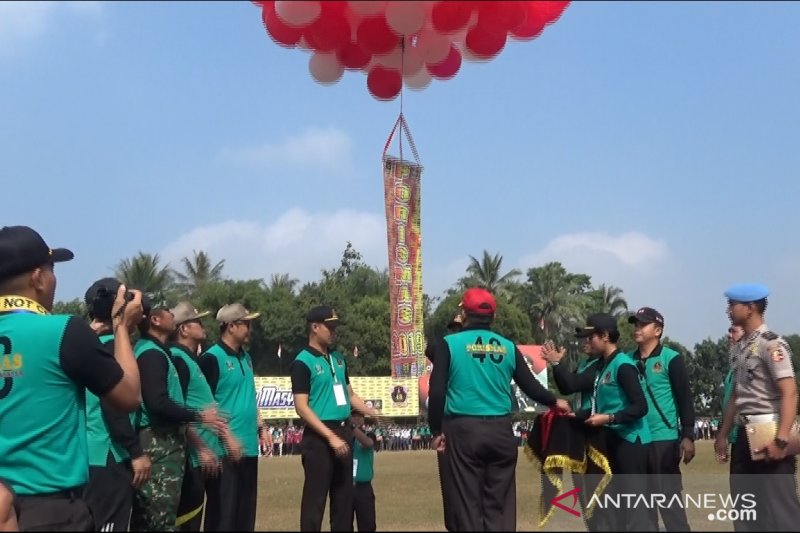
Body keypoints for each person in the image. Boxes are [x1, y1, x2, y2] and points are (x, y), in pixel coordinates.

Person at [0, 225, 142, 531]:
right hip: (51, 510)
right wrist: (120, 326)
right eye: (51, 270)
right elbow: (129, 396)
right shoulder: (63, 330)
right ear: (37, 278)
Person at [428, 288, 571, 532]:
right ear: (493, 317)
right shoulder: (508, 346)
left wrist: (436, 430)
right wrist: (553, 400)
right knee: (500, 505)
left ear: (464, 314)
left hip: (463, 431)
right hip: (501, 431)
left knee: (467, 503)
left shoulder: (448, 344)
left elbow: (438, 391)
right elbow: (529, 385)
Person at [715, 284, 800, 532]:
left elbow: (789, 392)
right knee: (746, 510)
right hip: (744, 431)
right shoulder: (740, 348)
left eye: (732, 305)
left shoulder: (771, 345)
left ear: (750, 307)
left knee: (779, 509)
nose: (728, 310)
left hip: (768, 429)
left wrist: (781, 440)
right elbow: (736, 396)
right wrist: (723, 434)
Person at [132, 302, 224, 531]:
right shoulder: (151, 354)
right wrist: (198, 415)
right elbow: (158, 402)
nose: (172, 315)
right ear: (155, 320)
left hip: (167, 444)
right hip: (158, 445)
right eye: (167, 311)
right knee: (157, 518)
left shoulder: (159, 352)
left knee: (163, 517)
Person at [290, 305, 378, 532]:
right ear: (314, 327)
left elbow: (350, 395)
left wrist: (372, 412)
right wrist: (330, 437)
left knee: (343, 501)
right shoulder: (302, 362)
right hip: (319, 436)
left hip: (344, 432)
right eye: (329, 327)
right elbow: (301, 407)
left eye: (335, 327)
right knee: (315, 501)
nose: (334, 332)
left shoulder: (338, 359)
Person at [569, 313, 653, 530]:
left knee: (634, 509)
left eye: (592, 337)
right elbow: (601, 405)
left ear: (605, 336)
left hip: (631, 443)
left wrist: (610, 418)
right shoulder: (602, 366)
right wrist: (577, 415)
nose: (588, 342)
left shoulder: (623, 365)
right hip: (611, 442)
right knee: (612, 506)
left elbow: (640, 407)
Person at [83, 278, 152, 533]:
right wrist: (136, 452)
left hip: (89, 453)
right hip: (109, 454)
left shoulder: (88, 346)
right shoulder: (113, 348)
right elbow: (114, 405)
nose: (141, 312)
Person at [169, 302, 241, 532]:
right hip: (195, 455)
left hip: (210, 452)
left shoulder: (190, 358)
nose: (203, 325)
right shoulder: (178, 359)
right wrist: (200, 447)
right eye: (197, 321)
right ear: (183, 329)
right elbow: (177, 409)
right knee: (188, 520)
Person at [199, 303, 270, 532]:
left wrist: (262, 427)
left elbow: (249, 395)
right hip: (224, 449)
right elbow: (205, 406)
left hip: (248, 447)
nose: (250, 329)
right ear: (231, 326)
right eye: (246, 324)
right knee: (223, 516)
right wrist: (227, 436)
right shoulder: (212, 358)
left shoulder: (246, 358)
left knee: (245, 515)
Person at [628, 307, 695, 532]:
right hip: (636, 440)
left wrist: (688, 435)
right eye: (635, 324)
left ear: (658, 330)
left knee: (670, 504)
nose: (637, 328)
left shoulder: (671, 359)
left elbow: (684, 398)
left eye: (642, 324)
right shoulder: (626, 360)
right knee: (642, 508)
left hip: (663, 439)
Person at [541, 334, 606, 531]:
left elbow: (572, 384)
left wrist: (556, 364)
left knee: (596, 496)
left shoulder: (600, 365)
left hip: (596, 436)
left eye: (589, 338)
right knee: (584, 494)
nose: (584, 342)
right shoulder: (585, 363)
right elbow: (566, 387)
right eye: (582, 338)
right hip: (581, 433)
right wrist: (557, 365)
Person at [424, 311, 463, 533]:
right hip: (458, 422)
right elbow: (430, 349)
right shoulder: (445, 350)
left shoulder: (449, 350)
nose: (455, 333)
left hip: (454, 423)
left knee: (454, 483)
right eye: (453, 329)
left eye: (458, 329)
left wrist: (435, 429)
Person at [351, 411, 376, 532]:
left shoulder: (369, 434)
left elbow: (368, 443)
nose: (357, 419)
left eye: (359, 416)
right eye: (354, 416)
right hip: (345, 487)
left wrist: (352, 428)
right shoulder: (342, 436)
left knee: (367, 525)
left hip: (363, 488)